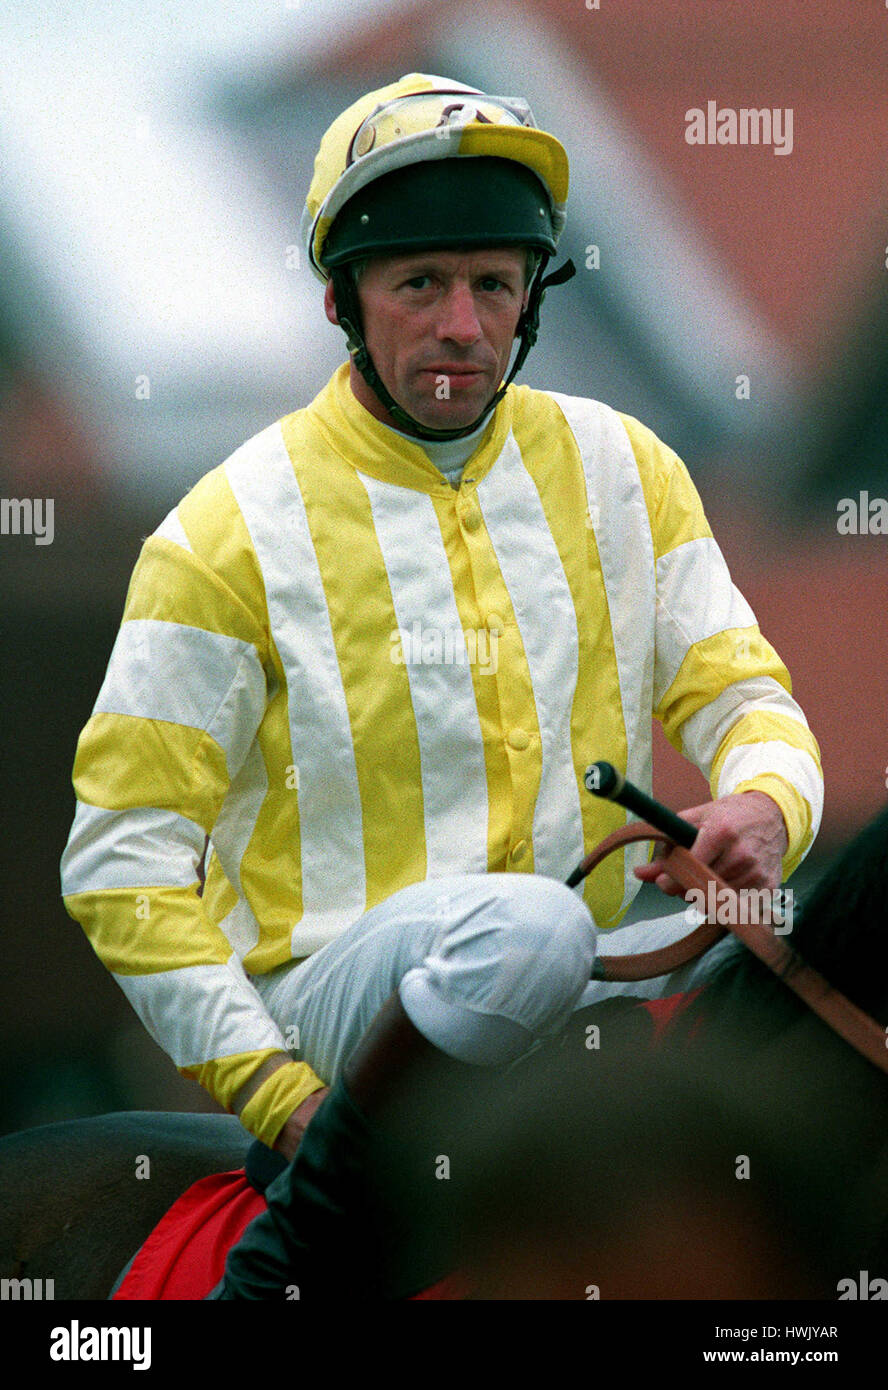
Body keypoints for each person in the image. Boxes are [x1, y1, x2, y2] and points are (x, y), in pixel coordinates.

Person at [60, 74, 823, 1245]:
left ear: (532, 299)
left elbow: (742, 692)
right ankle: (317, 1227)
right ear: (341, 300)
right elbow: (122, 861)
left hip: (597, 973)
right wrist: (277, 1091)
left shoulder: (626, 465)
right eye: (420, 284)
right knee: (531, 929)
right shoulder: (221, 535)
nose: (462, 325)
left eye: (492, 285)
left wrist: (766, 804)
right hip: (336, 1004)